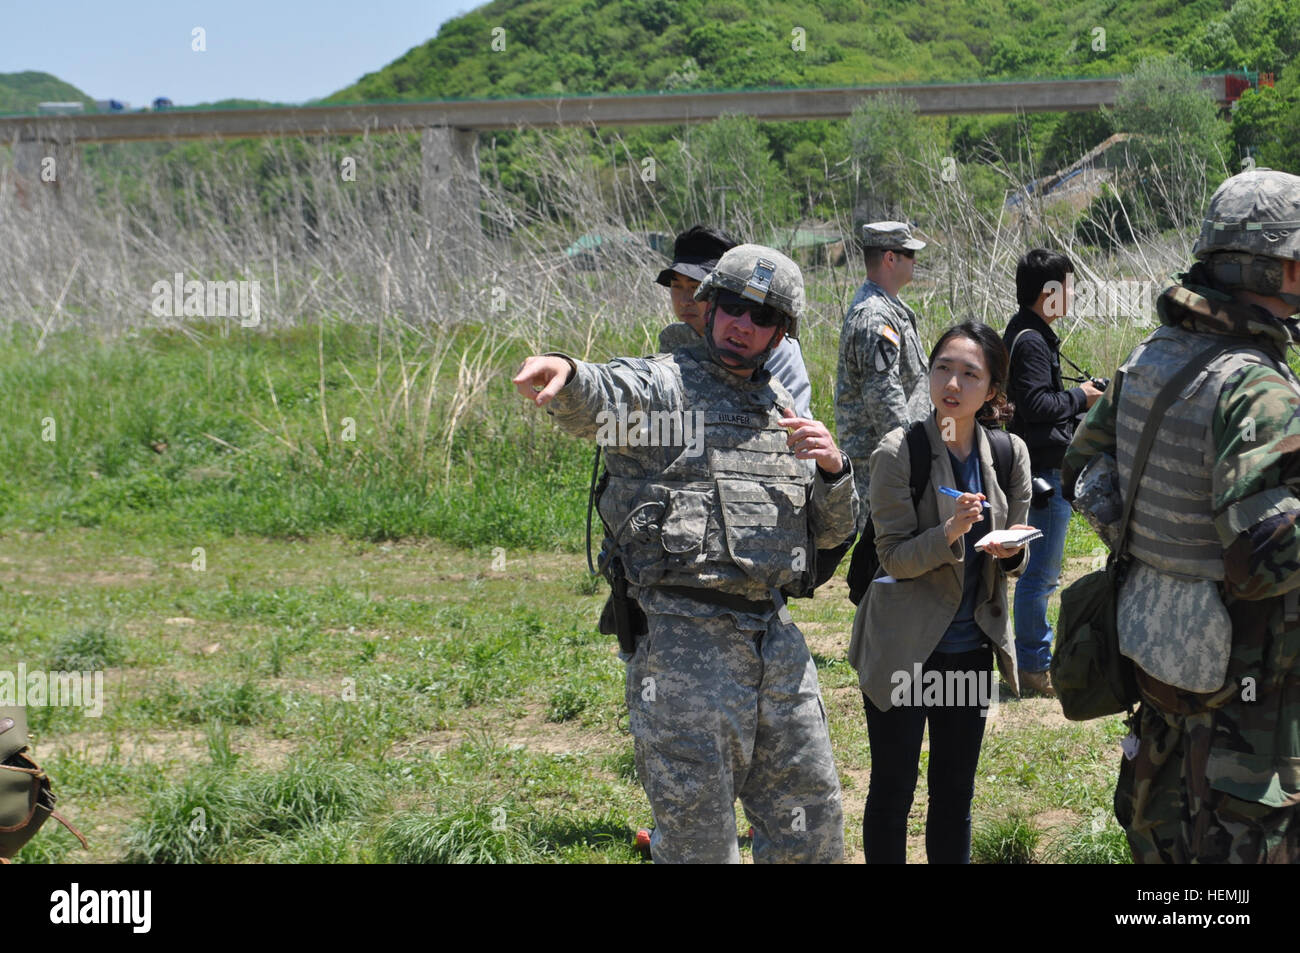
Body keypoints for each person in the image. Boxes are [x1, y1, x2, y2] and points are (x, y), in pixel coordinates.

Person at [514, 245, 858, 863]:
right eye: (731, 307)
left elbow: (830, 536)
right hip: (683, 648)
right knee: (699, 844)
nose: (741, 325)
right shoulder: (664, 388)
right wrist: (569, 373)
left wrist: (834, 469)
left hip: (775, 645)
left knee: (812, 830)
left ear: (781, 332)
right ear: (709, 305)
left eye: (761, 317)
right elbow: (607, 395)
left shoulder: (782, 409)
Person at [1063, 168, 1300, 864]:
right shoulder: (1255, 385)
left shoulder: (1150, 356)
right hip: (1252, 723)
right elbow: (1262, 561)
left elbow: (1082, 468)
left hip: (1163, 681)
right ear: (1274, 265)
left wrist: (1159, 547)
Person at [848, 321, 1034, 863]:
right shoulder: (899, 451)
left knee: (954, 795)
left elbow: (1019, 544)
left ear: (993, 390)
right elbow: (895, 559)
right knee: (893, 790)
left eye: (969, 374)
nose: (952, 383)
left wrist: (1010, 550)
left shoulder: (1007, 452)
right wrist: (951, 532)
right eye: (943, 369)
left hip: (969, 649)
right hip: (903, 650)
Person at [1003, 250, 1105, 696]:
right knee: (1039, 575)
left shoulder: (1031, 336)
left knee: (1038, 573)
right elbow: (1036, 407)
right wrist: (1081, 398)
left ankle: (1031, 661)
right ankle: (1033, 667)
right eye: (1067, 287)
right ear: (1048, 293)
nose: (1073, 296)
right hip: (1043, 471)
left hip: (1044, 466)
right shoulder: (1029, 340)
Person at [656, 225, 813, 417]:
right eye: (677, 286)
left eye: (696, 286)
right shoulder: (677, 339)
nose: (686, 300)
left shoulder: (772, 344)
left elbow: (793, 420)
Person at [836, 220, 931, 529]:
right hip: (883, 463)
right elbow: (883, 396)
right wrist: (908, 456)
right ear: (890, 258)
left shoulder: (888, 307)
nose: (915, 261)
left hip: (890, 460)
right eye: (909, 254)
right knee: (887, 557)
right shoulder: (875, 316)